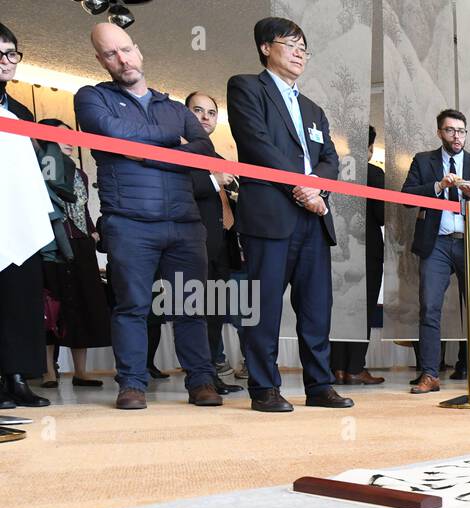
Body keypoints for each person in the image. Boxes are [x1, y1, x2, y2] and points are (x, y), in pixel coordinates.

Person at [74, 22, 222, 411]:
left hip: (184, 222)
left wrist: (141, 148)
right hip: (128, 222)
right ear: (100, 60)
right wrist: (171, 144)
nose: (121, 59)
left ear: (138, 50)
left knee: (191, 305)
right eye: (110, 54)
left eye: (125, 49)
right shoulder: (91, 98)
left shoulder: (174, 107)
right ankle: (133, 385)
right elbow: (107, 130)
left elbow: (205, 148)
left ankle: (202, 381)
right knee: (132, 306)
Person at [226, 17, 352, 412]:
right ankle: (264, 387)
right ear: (266, 47)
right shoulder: (247, 87)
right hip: (271, 214)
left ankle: (319, 385)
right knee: (264, 306)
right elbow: (257, 143)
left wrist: (318, 190)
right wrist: (301, 187)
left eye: (304, 48)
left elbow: (330, 157)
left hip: (314, 218)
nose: (300, 53)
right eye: (291, 44)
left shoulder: (313, 109)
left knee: (316, 307)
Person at [401, 109, 470, 395]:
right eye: (450, 130)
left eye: (461, 131)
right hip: (437, 244)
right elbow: (406, 198)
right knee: (430, 308)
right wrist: (437, 186)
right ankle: (430, 373)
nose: (457, 136)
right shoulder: (424, 161)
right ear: (439, 133)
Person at [0, 21, 53, 411]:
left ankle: (16, 377)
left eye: (12, 53)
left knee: (20, 300)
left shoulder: (19, 112)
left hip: (17, 217)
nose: (6, 61)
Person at [36, 120, 111, 392]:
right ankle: (48, 371)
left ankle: (81, 371)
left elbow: (83, 207)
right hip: (53, 243)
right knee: (52, 306)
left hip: (82, 245)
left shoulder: (80, 173)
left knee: (84, 303)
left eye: (70, 136)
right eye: (60, 136)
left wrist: (91, 232)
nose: (68, 141)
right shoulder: (45, 166)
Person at [184, 92, 244, 395]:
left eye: (211, 112)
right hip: (193, 244)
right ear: (184, 115)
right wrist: (214, 181)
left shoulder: (217, 158)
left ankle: (212, 375)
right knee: (196, 313)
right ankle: (200, 377)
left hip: (222, 244)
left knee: (215, 314)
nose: (205, 118)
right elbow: (181, 189)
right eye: (198, 111)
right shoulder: (174, 151)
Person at [331, 125, 385, 387]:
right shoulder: (374, 173)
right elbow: (382, 215)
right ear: (370, 149)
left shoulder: (335, 170)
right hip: (368, 248)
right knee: (361, 309)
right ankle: (354, 368)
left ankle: (336, 369)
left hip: (338, 250)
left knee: (339, 308)